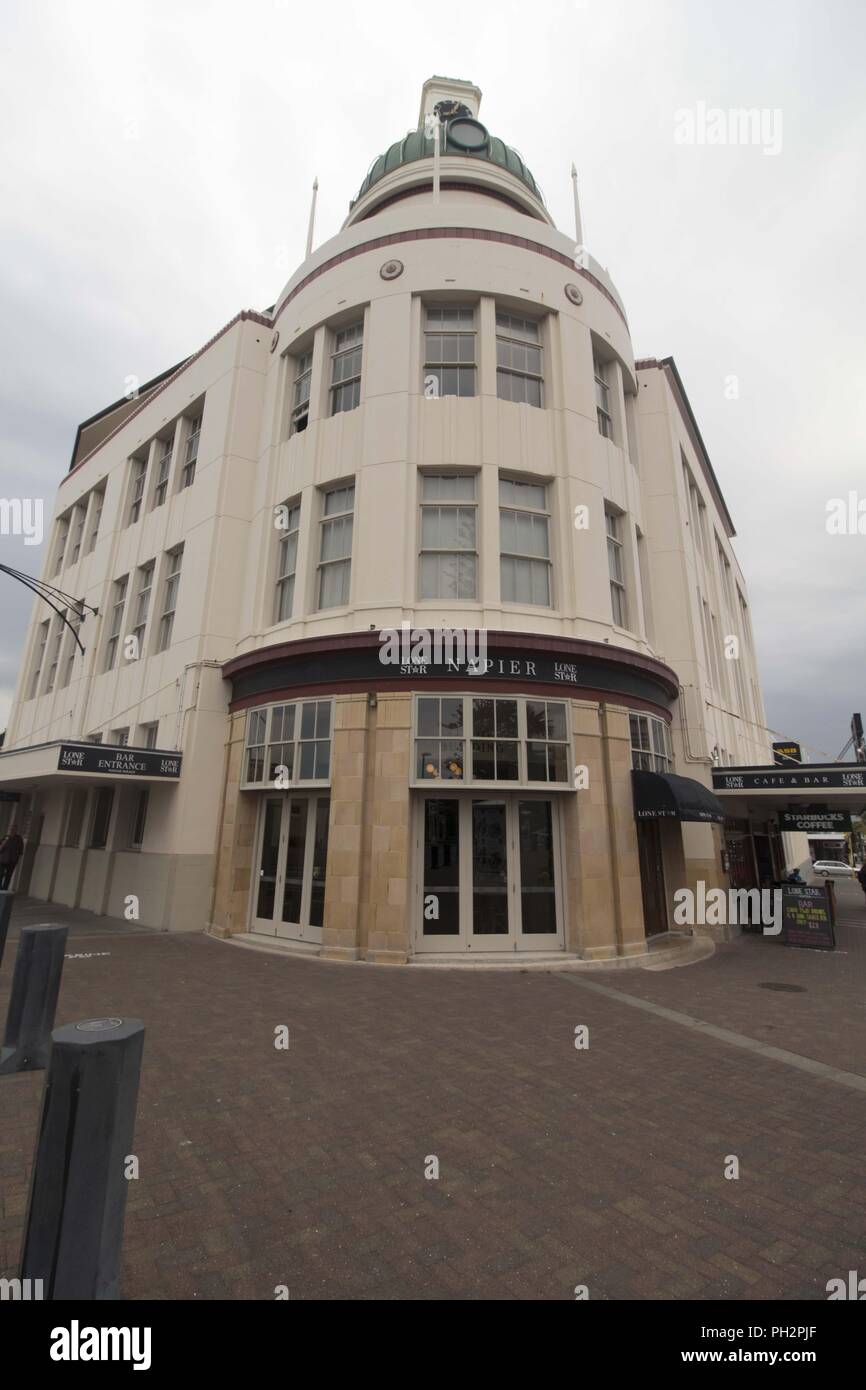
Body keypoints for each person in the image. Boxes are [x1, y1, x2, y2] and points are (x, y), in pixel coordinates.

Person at [0, 823, 24, 890]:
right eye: (11, 829)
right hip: (3, 860)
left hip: (12, 861)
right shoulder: (5, 837)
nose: (12, 830)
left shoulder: (19, 839)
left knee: (8, 876)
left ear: (16, 830)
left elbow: (20, 851)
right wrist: (4, 843)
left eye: (13, 829)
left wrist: (16, 860)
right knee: (0, 875)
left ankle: (4, 890)